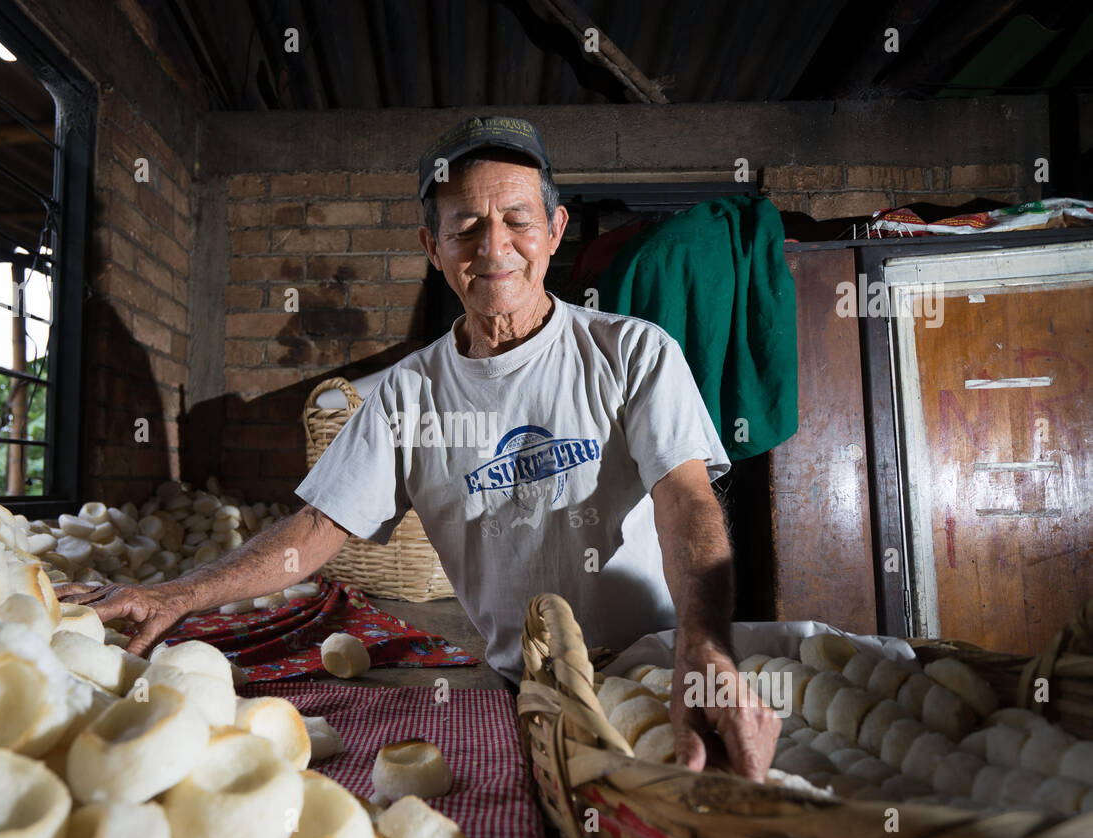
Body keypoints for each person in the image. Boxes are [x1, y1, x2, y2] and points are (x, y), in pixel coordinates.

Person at [58, 116, 779, 780]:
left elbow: (685, 498)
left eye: (517, 220)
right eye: (465, 228)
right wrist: (176, 594)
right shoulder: (406, 396)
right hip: (524, 690)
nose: (493, 247)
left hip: (659, 673)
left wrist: (705, 641)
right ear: (433, 249)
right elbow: (313, 532)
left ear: (555, 231)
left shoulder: (632, 353)